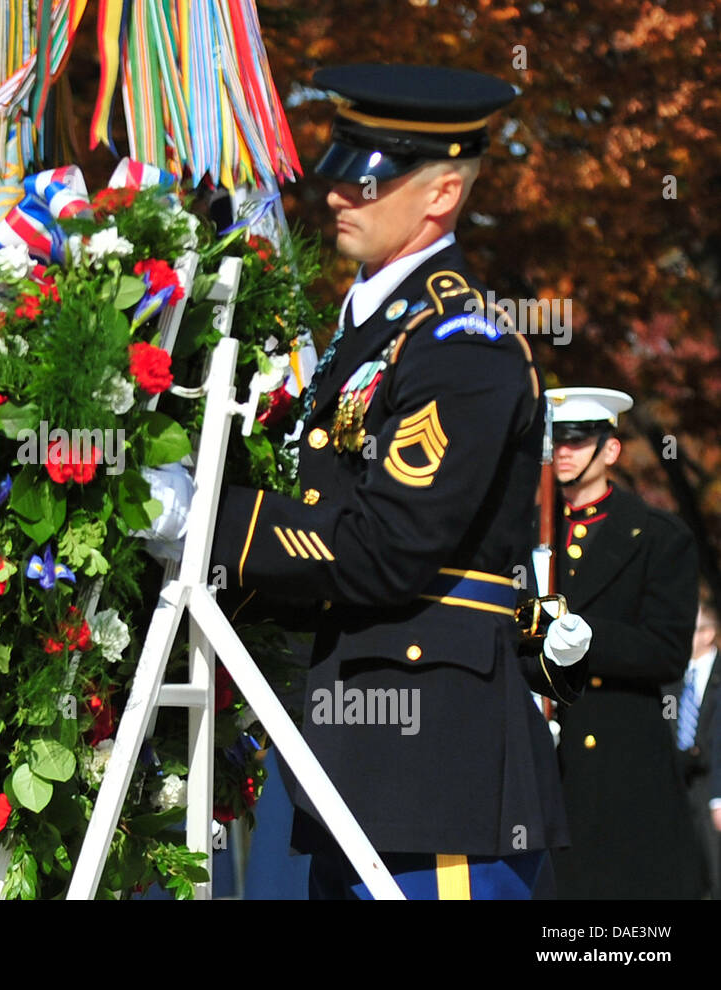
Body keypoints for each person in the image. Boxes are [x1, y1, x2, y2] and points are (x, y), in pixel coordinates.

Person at [212, 63, 589, 899]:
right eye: (340, 169)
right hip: (363, 760)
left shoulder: (463, 346)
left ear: (441, 194)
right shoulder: (371, 332)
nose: (340, 195)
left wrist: (210, 518)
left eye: (369, 176)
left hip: (436, 770)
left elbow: (386, 549)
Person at [542, 387, 702, 897]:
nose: (562, 450)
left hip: (621, 755)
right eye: (555, 441)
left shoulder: (657, 535)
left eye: (577, 440)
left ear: (609, 449)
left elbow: (666, 650)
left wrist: (590, 639)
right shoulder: (525, 533)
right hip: (542, 751)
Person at [672, 599, 721, 897]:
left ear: (708, 634)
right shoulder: (674, 676)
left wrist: (718, 796)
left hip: (711, 789)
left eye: (689, 630)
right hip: (680, 784)